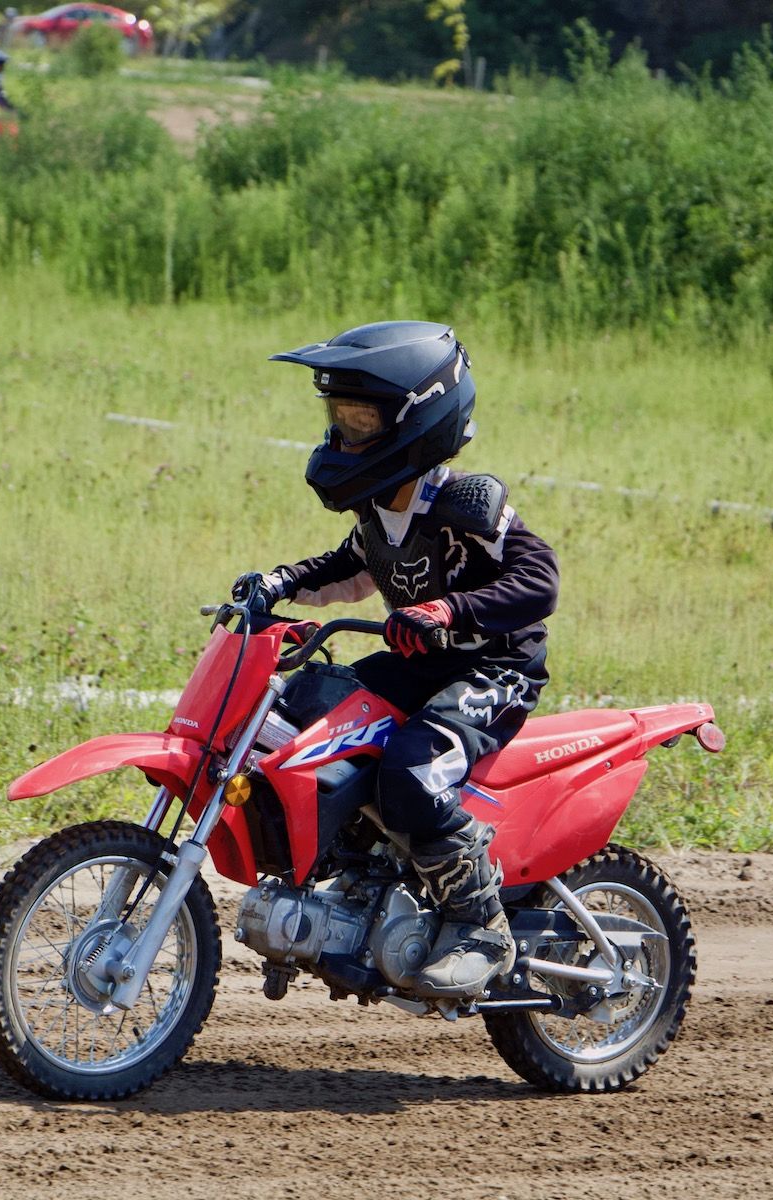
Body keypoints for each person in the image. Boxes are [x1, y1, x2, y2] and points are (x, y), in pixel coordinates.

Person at [233, 321, 559, 998]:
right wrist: (276, 583)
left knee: (412, 770)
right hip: (422, 666)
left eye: (361, 420)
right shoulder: (379, 510)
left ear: (418, 420)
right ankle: (365, 877)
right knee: (310, 713)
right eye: (338, 417)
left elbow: (540, 579)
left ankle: (480, 925)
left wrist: (449, 610)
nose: (344, 433)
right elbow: (349, 567)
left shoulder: (467, 505)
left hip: (494, 670)